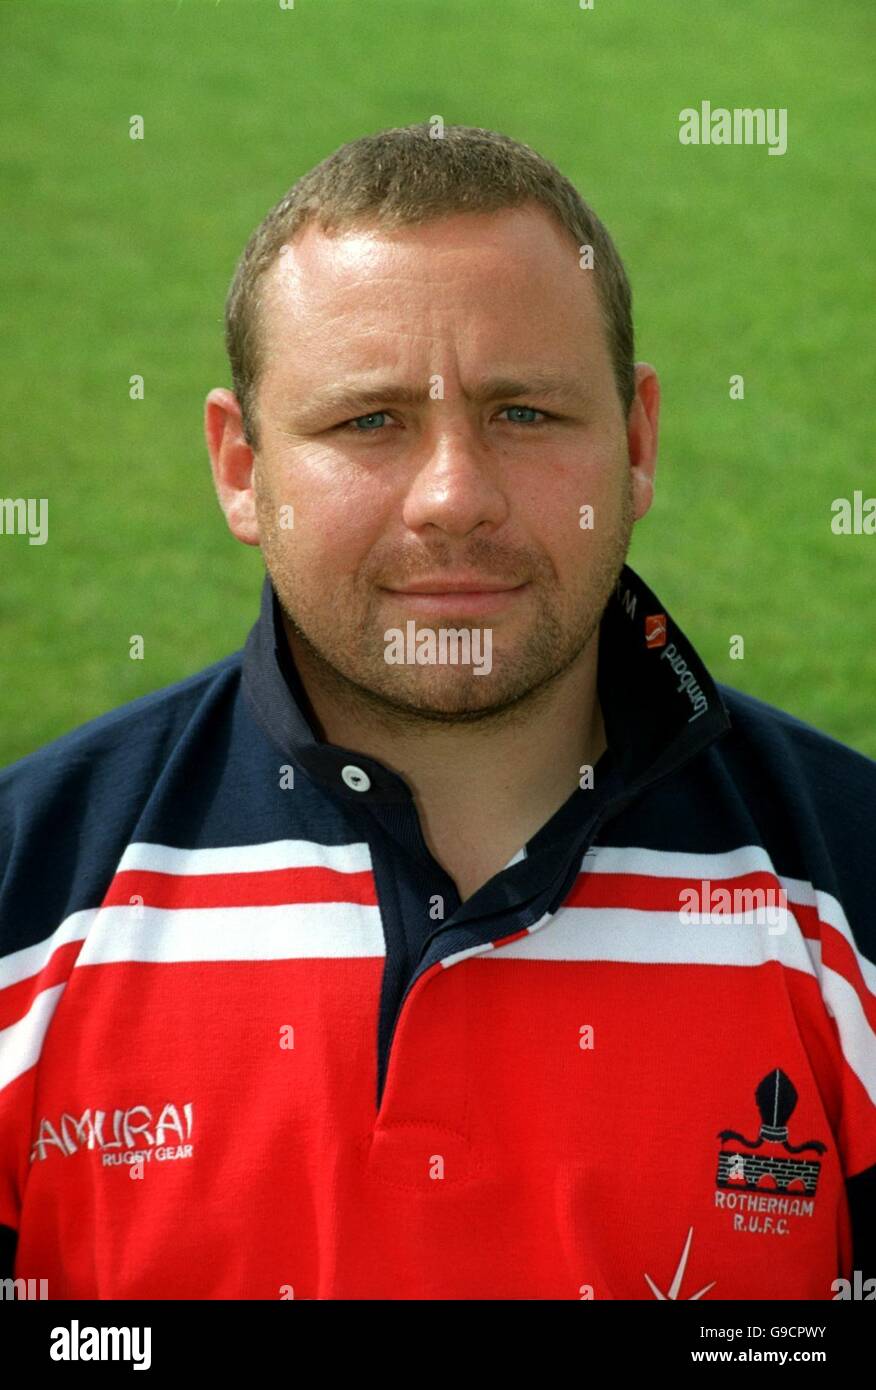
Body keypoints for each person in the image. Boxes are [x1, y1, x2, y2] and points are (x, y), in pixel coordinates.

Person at [1, 124, 873, 1300]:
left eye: (523, 414)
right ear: (241, 469)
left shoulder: (849, 895)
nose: (453, 497)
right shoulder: (27, 901)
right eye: (369, 421)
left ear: (637, 441)